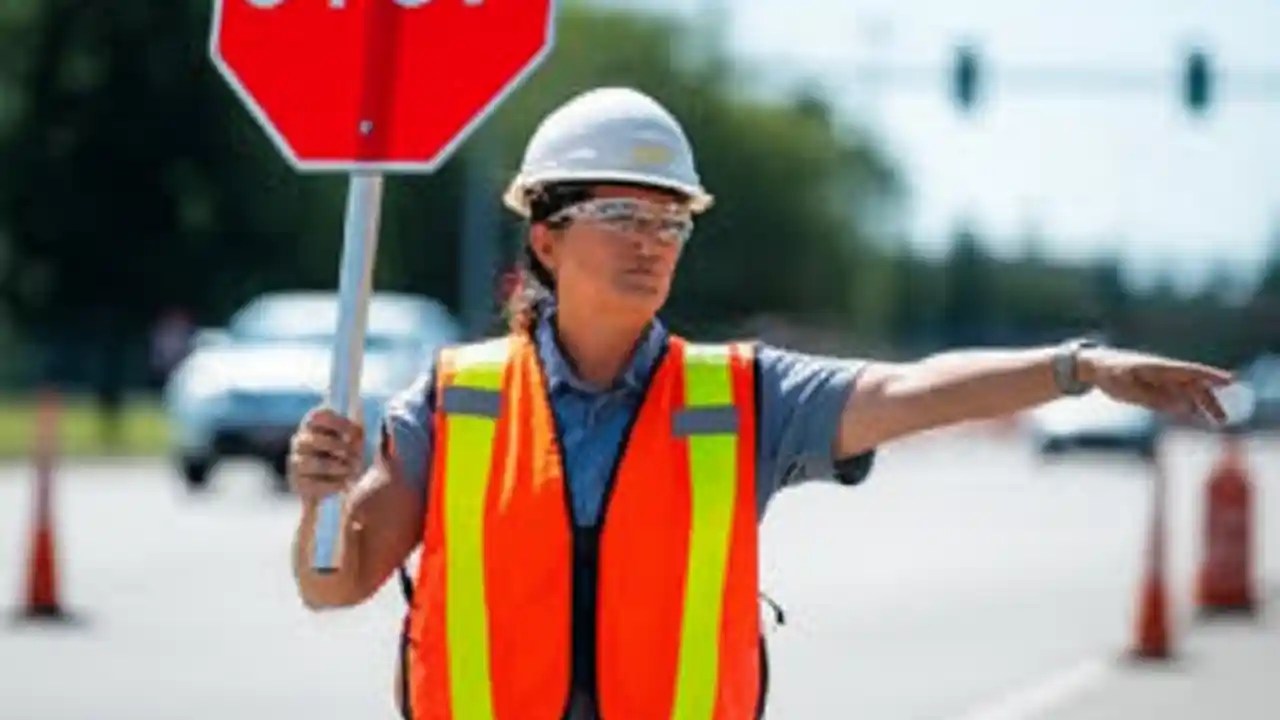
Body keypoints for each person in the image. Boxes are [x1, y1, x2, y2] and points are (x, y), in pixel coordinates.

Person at [285, 87, 1232, 720]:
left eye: (669, 222)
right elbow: (333, 583)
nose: (652, 241)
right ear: (546, 237)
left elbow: (911, 391)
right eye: (622, 215)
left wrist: (1076, 367)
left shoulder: (745, 396)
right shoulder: (456, 402)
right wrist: (318, 501)